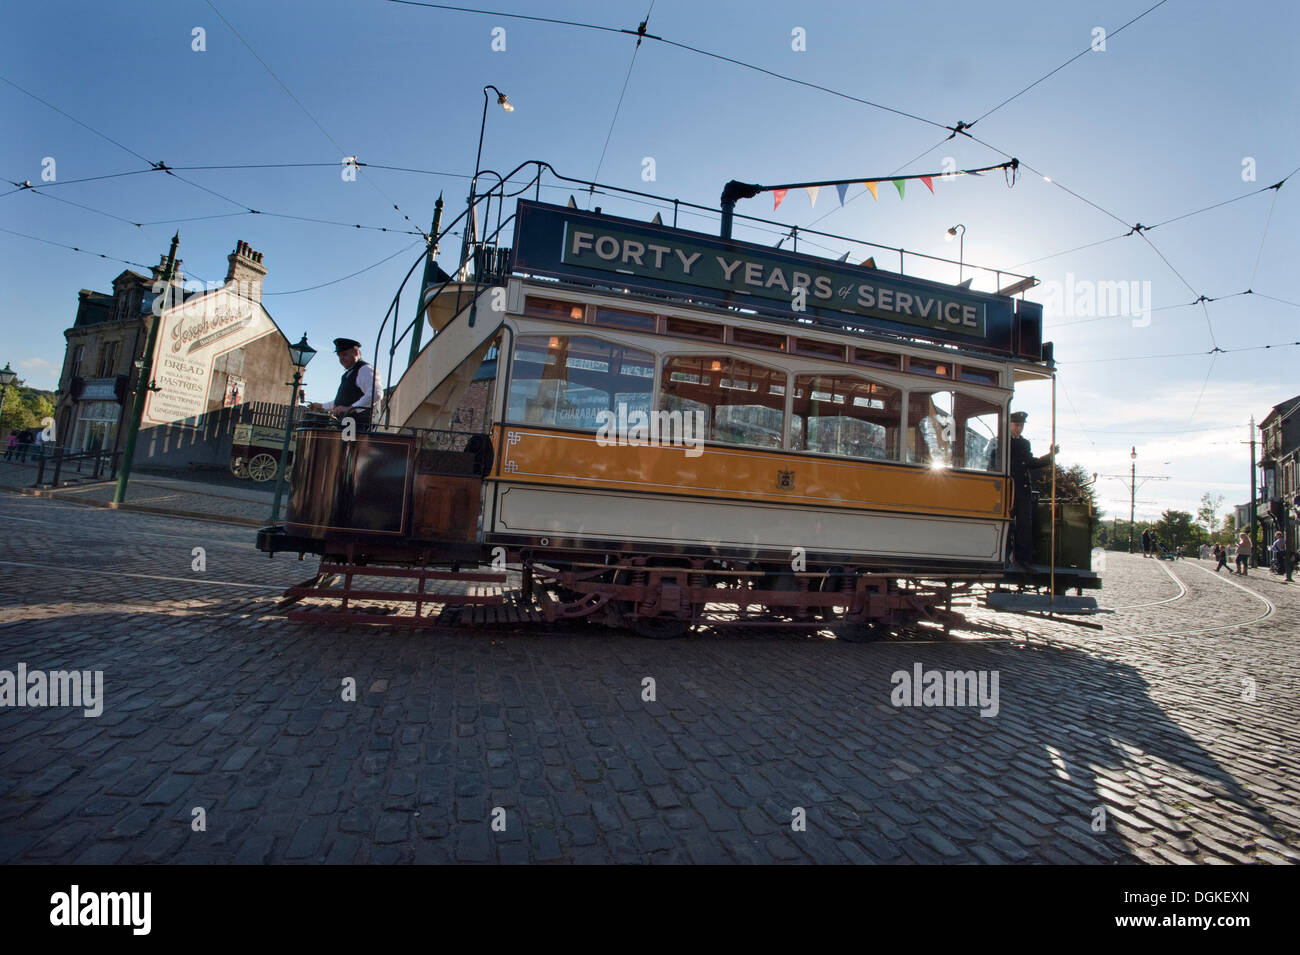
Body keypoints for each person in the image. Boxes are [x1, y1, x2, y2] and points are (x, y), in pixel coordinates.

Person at [1005, 411, 1058, 568]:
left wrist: (1050, 456)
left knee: (1024, 525)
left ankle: (1023, 560)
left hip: (1023, 488)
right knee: (1007, 523)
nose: (1019, 428)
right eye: (1016, 425)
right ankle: (1005, 557)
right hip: (1008, 488)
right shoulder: (1002, 442)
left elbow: (1031, 462)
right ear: (1009, 424)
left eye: (1021, 426)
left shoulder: (1025, 443)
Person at [325, 337, 383, 430]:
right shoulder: (348, 374)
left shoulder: (365, 369)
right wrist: (322, 406)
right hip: (349, 428)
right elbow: (344, 401)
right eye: (339, 356)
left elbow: (376, 393)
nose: (341, 359)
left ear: (356, 352)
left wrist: (350, 409)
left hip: (359, 429)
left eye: (344, 355)